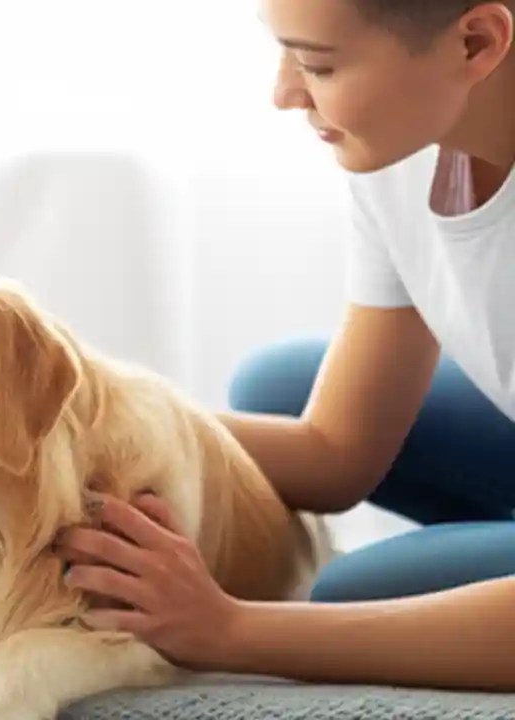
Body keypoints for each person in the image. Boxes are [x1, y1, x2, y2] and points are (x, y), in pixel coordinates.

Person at [55, 0, 515, 693]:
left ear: (477, 43)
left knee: (349, 595)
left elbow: (262, 626)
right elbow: (337, 453)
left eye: (318, 64)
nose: (283, 93)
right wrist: (73, 421)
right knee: (278, 383)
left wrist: (229, 629)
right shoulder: (402, 151)